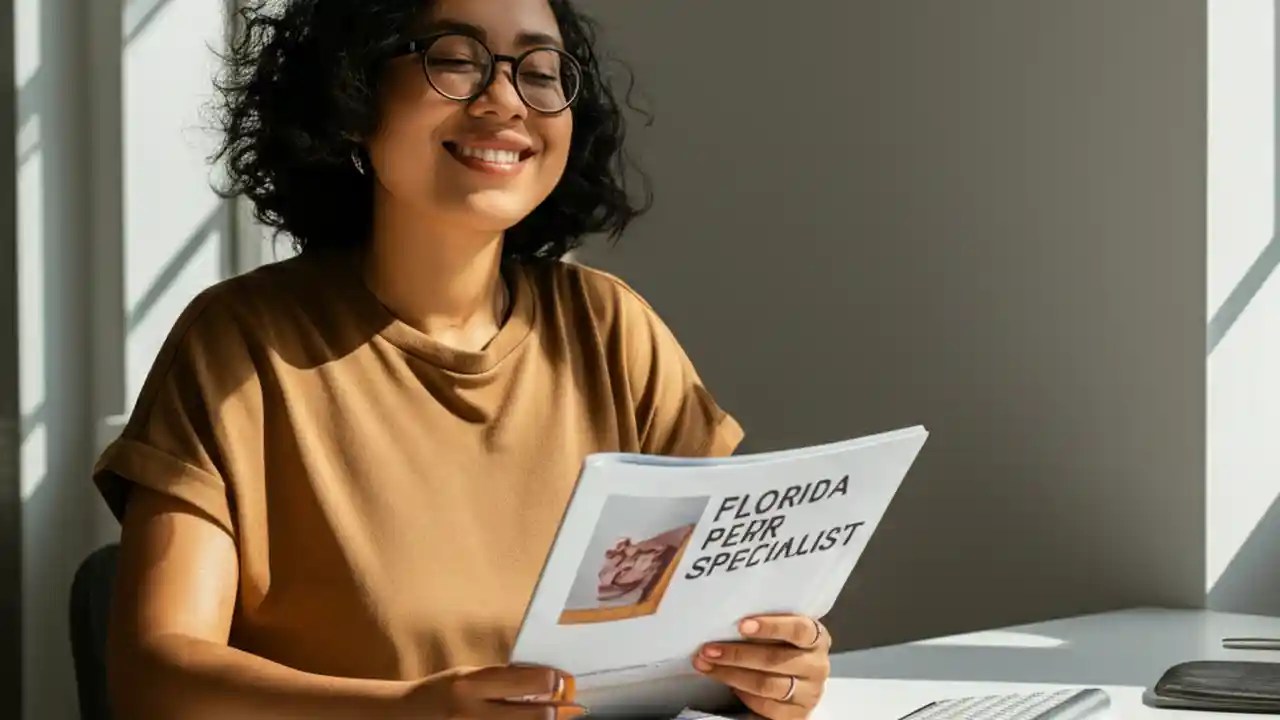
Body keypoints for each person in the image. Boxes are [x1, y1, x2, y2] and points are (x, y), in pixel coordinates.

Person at [91, 0, 833, 718]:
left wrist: (769, 669)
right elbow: (156, 678)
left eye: (541, 72)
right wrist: (407, 713)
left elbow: (713, 620)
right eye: (454, 60)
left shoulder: (611, 328)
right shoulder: (239, 344)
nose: (506, 99)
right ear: (352, 93)